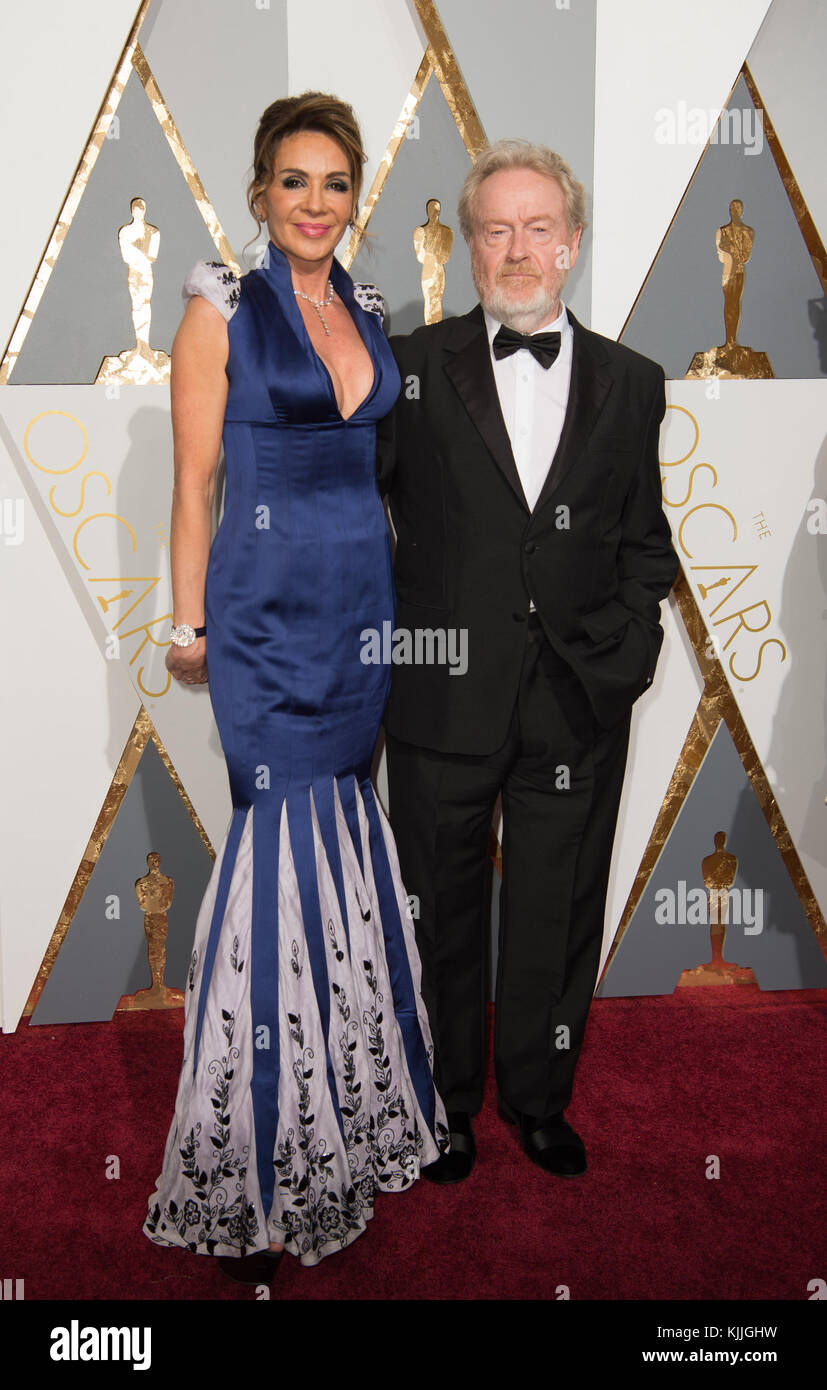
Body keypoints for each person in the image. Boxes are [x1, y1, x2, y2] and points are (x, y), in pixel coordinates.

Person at [143, 92, 447, 1285]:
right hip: (264, 621)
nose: (313, 202)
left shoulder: (367, 306)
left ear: (350, 196)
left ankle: (350, 1114)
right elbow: (192, 482)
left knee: (338, 852)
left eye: (334, 184)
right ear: (259, 189)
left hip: (358, 616)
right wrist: (187, 625)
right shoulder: (220, 304)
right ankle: (256, 1162)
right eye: (293, 180)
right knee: (273, 863)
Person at [377, 139, 679, 1184]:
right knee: (436, 910)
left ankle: (538, 1100)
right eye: (495, 228)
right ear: (466, 245)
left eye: (536, 227)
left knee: (554, 910)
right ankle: (444, 1104)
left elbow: (644, 540)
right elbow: (353, 519)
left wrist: (625, 655)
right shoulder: (408, 370)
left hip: (573, 698)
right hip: (438, 700)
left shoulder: (632, 383)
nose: (516, 249)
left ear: (572, 244)